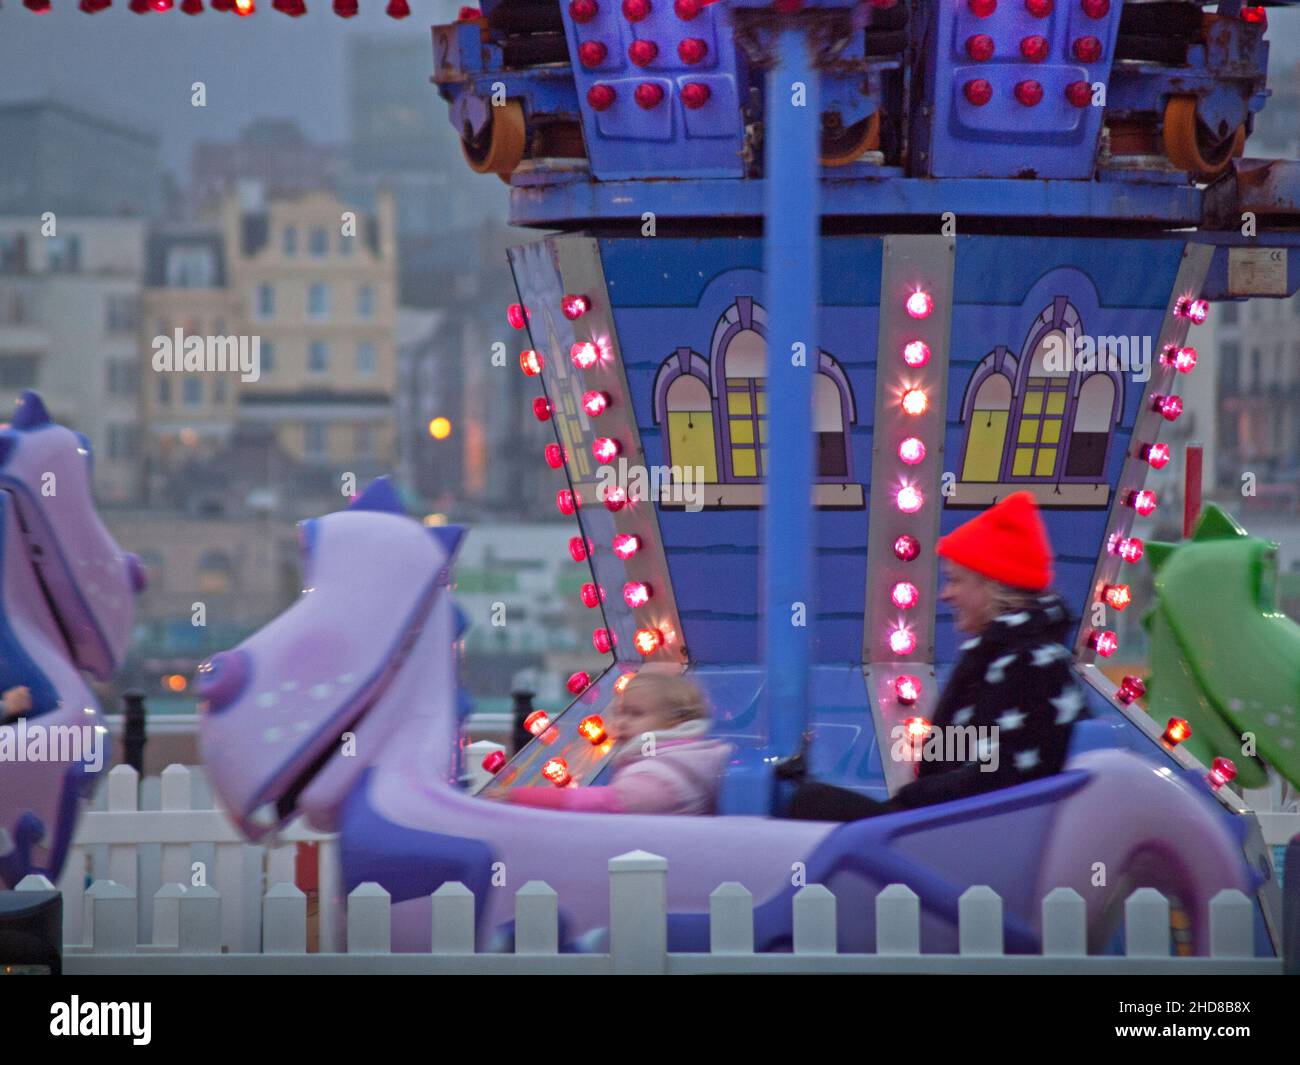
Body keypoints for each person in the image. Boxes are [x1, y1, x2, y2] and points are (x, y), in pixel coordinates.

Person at [784, 491, 1090, 820]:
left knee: (807, 804)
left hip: (958, 838)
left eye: (955, 581)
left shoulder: (1029, 665)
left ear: (993, 586)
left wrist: (911, 801)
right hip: (947, 827)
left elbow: (998, 777)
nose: (946, 594)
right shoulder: (1009, 658)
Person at [505, 671, 730, 815]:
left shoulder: (662, 777)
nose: (621, 722)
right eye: (620, 713)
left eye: (635, 714)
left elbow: (607, 803)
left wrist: (519, 796)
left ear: (674, 722)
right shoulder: (677, 761)